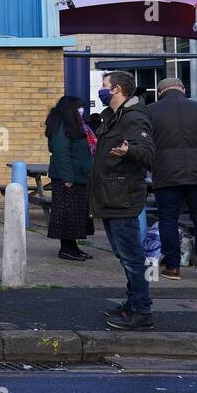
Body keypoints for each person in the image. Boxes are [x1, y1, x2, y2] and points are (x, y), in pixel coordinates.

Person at [90, 70, 156, 330]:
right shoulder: (113, 117)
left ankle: (142, 311)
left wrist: (130, 150)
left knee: (132, 257)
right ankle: (132, 303)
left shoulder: (134, 117)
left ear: (116, 89)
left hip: (122, 197)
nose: (102, 90)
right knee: (124, 255)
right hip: (110, 196)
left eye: (105, 86)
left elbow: (148, 152)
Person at [146, 77, 197, 281]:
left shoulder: (151, 111)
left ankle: (172, 267)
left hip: (166, 173)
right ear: (183, 89)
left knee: (167, 219)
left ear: (160, 92)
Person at [45, 95, 94, 262]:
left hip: (80, 177)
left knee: (77, 215)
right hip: (69, 178)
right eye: (79, 107)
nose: (82, 111)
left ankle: (73, 247)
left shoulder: (77, 125)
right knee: (67, 214)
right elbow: (61, 153)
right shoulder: (62, 126)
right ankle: (66, 249)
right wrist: (67, 177)